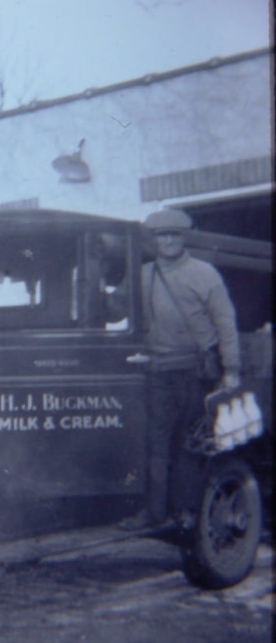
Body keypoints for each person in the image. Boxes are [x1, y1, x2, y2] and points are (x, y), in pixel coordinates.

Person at [121, 208, 241, 529]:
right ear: (154, 240)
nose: (170, 241)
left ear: (183, 237)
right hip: (157, 371)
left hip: (194, 372)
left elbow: (225, 323)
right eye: (163, 235)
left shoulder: (205, 274)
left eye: (175, 234)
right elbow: (116, 307)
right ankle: (155, 513)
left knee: (189, 444)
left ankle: (185, 512)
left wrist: (231, 368)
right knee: (155, 444)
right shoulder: (142, 275)